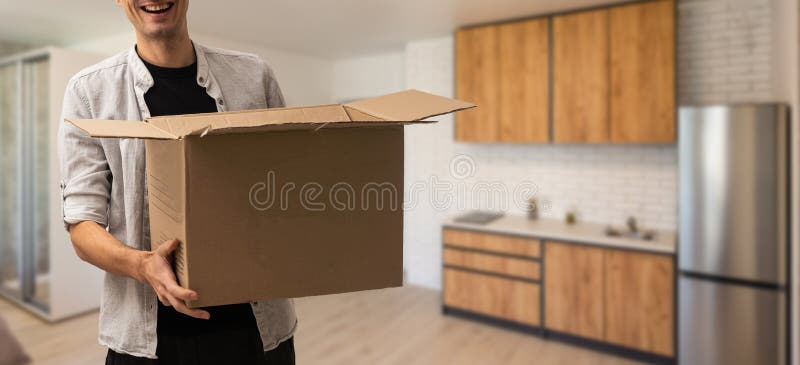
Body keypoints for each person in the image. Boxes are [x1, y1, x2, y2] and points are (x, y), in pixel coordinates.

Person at [57, 1, 296, 363]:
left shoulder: (253, 76)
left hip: (256, 334)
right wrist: (141, 265)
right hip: (148, 343)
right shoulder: (89, 91)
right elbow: (81, 224)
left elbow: (286, 184)